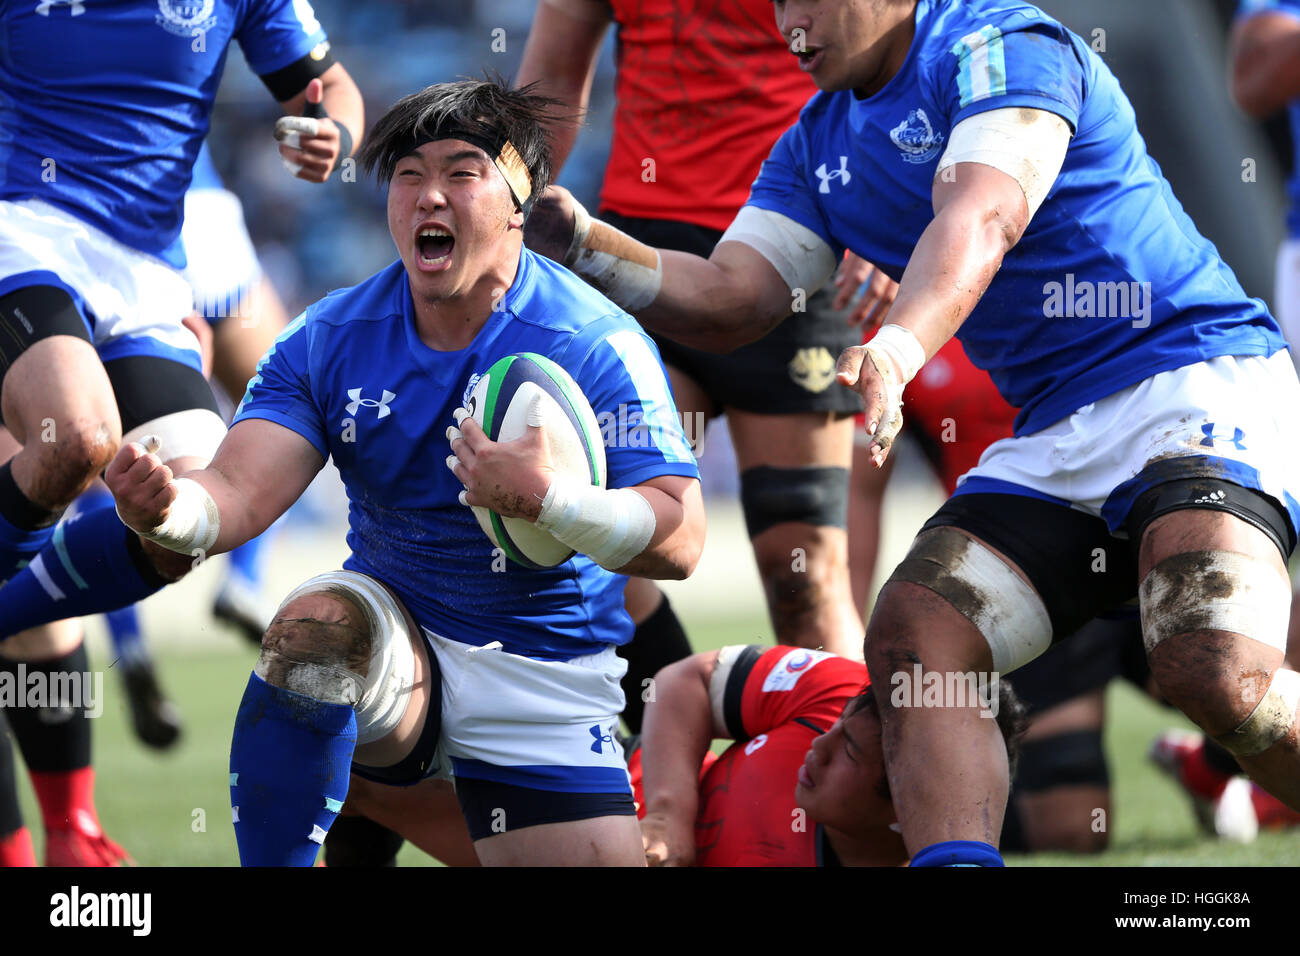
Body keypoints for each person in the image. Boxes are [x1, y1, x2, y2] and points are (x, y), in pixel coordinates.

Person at [525, 0, 1300, 866]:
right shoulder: (816, 143)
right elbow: (733, 296)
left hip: (1188, 381)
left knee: (1211, 669)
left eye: (807, 1)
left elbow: (981, 217)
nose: (788, 24)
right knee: (915, 630)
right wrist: (587, 243)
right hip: (1054, 433)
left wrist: (895, 346)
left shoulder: (1004, 47)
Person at [105, 79, 706, 867]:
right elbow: (240, 489)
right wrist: (172, 510)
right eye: (409, 175)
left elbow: (683, 537)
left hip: (543, 680)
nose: (429, 196)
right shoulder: (329, 335)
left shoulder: (597, 340)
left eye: (462, 173)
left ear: (519, 200)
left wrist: (553, 500)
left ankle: (368, 818)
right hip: (397, 644)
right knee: (315, 631)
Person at [518, 0, 867, 687]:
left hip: (797, 251)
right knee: (587, 540)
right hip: (639, 259)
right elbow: (551, 83)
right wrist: (500, 216)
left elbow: (897, 55)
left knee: (803, 582)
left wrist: (892, 215)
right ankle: (676, 740)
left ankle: (846, 789)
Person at [0, 0, 362, 638]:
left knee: (187, 520)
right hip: (24, 230)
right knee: (77, 438)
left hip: (150, 271)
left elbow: (327, 88)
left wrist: (330, 131)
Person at [634, 645, 1023, 866]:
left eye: (848, 752)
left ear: (908, 808)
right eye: (838, 726)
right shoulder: (845, 688)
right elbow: (686, 681)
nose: (818, 747)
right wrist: (668, 817)